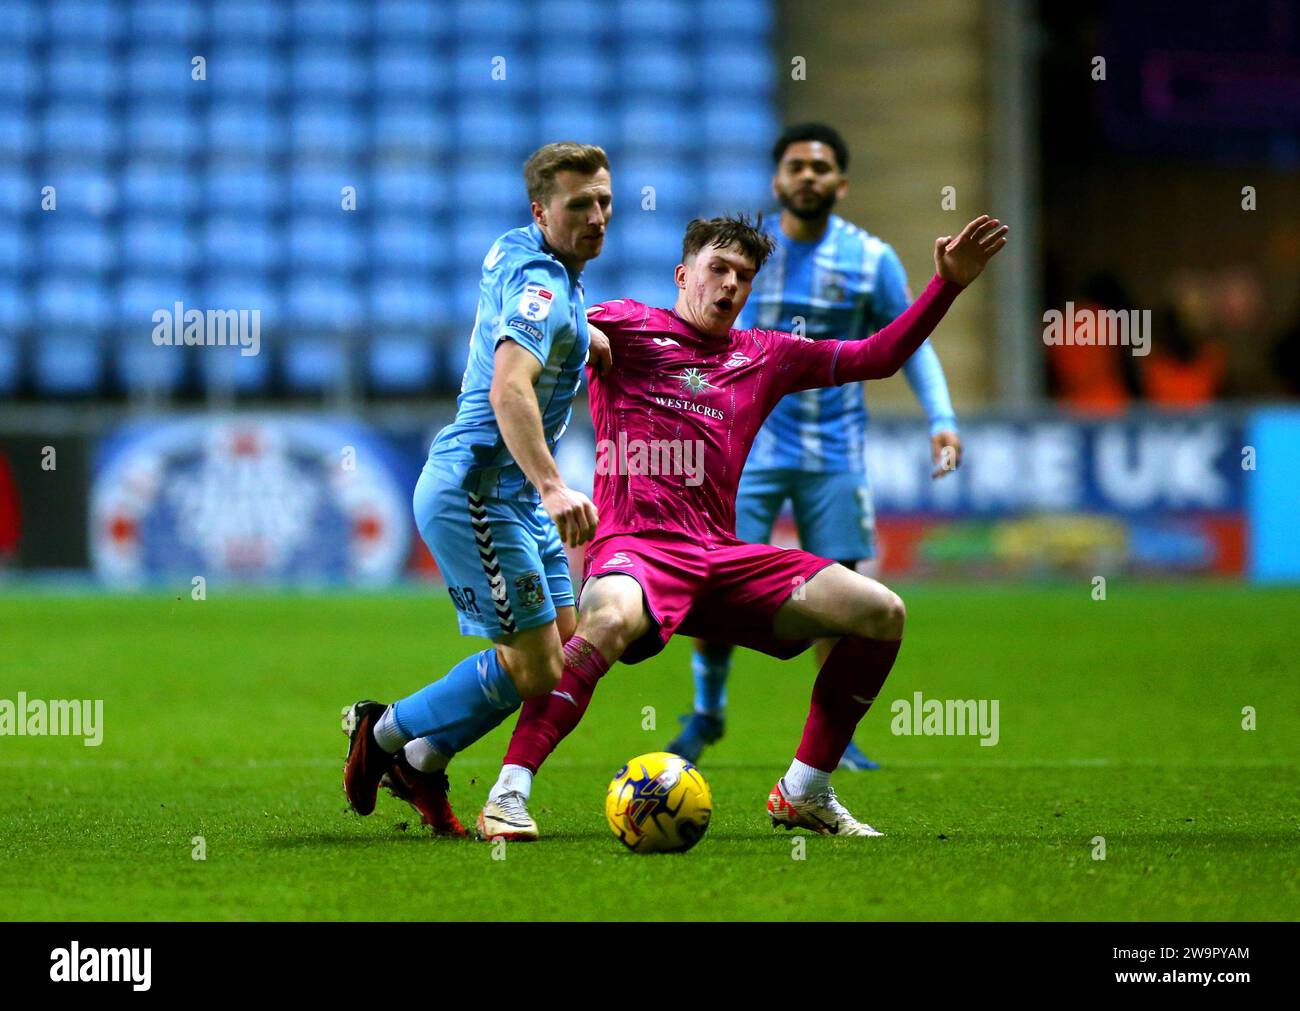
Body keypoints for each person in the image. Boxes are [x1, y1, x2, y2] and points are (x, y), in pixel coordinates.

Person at [478, 211, 1008, 840]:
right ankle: (508, 794)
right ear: (683, 274)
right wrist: (567, 337)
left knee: (881, 611)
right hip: (634, 548)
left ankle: (804, 790)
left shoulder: (766, 353)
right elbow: (531, 340)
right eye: (718, 270)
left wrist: (946, 285)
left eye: (744, 277)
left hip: (721, 558)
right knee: (609, 621)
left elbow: (878, 356)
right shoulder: (624, 324)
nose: (730, 286)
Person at [340, 142, 614, 837]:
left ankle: (427, 754)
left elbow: (549, 325)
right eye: (579, 204)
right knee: (536, 671)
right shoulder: (544, 286)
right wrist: (554, 486)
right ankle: (381, 732)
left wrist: (591, 338)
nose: (597, 216)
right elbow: (507, 386)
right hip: (478, 491)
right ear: (541, 210)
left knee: (562, 641)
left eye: (604, 201)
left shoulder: (531, 259)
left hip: (509, 497)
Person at [671, 122, 962, 770]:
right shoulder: (747, 259)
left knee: (841, 595)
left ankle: (836, 730)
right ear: (777, 181)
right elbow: (705, 340)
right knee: (711, 587)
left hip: (835, 455)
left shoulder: (871, 259)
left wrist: (941, 415)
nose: (808, 175)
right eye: (796, 165)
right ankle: (708, 710)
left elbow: (905, 342)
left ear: (842, 183)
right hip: (745, 452)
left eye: (821, 166)